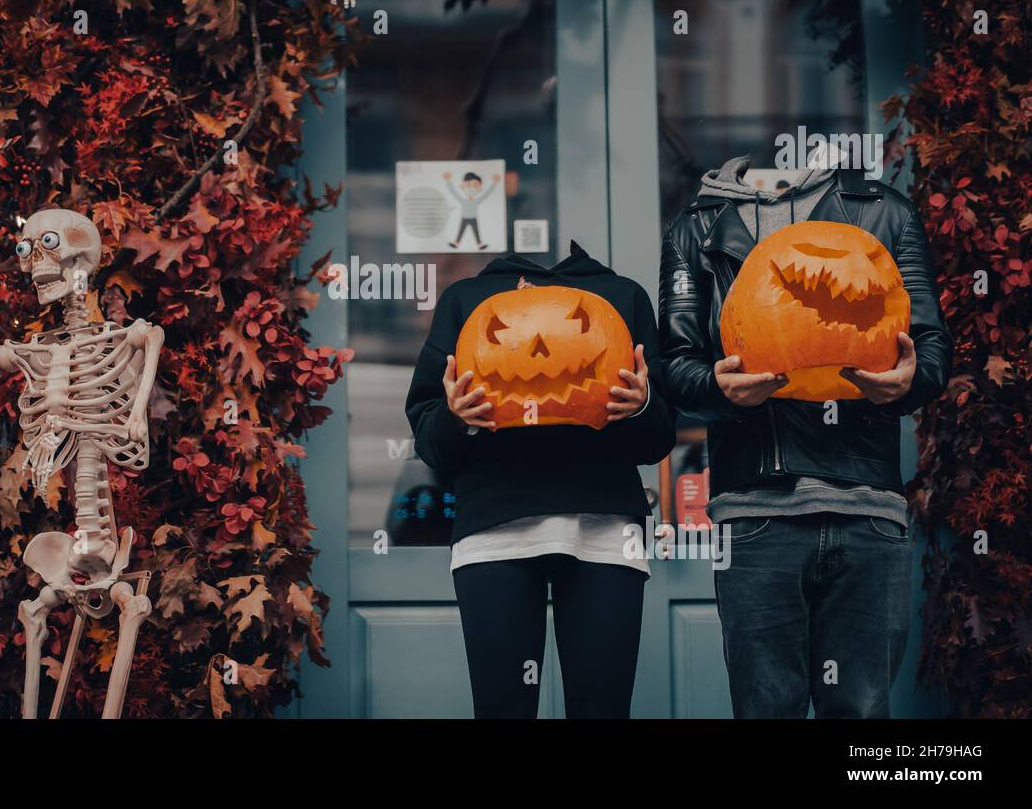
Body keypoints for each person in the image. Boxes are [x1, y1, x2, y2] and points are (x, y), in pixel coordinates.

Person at [658, 156, 953, 718]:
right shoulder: (697, 227)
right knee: (766, 710)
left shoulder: (882, 213)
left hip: (867, 506)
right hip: (754, 512)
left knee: (862, 714)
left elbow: (931, 345)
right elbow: (675, 365)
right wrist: (717, 389)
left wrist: (910, 380)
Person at [405, 242, 675, 718]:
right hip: (493, 529)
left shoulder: (622, 298)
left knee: (602, 708)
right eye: (506, 333)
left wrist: (644, 405)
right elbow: (431, 445)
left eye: (574, 327)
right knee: (502, 707)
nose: (539, 349)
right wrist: (454, 417)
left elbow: (656, 442)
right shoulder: (465, 301)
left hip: (607, 530)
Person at [443, 170, 500, 250]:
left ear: (479, 188)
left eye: (475, 185)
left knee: (476, 231)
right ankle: (456, 242)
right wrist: (448, 182)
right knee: (461, 231)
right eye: (468, 185)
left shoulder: (477, 201)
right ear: (462, 186)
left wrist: (494, 183)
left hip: (473, 218)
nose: (471, 188)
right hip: (464, 218)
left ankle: (479, 244)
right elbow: (454, 193)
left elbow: (487, 194)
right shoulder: (463, 200)